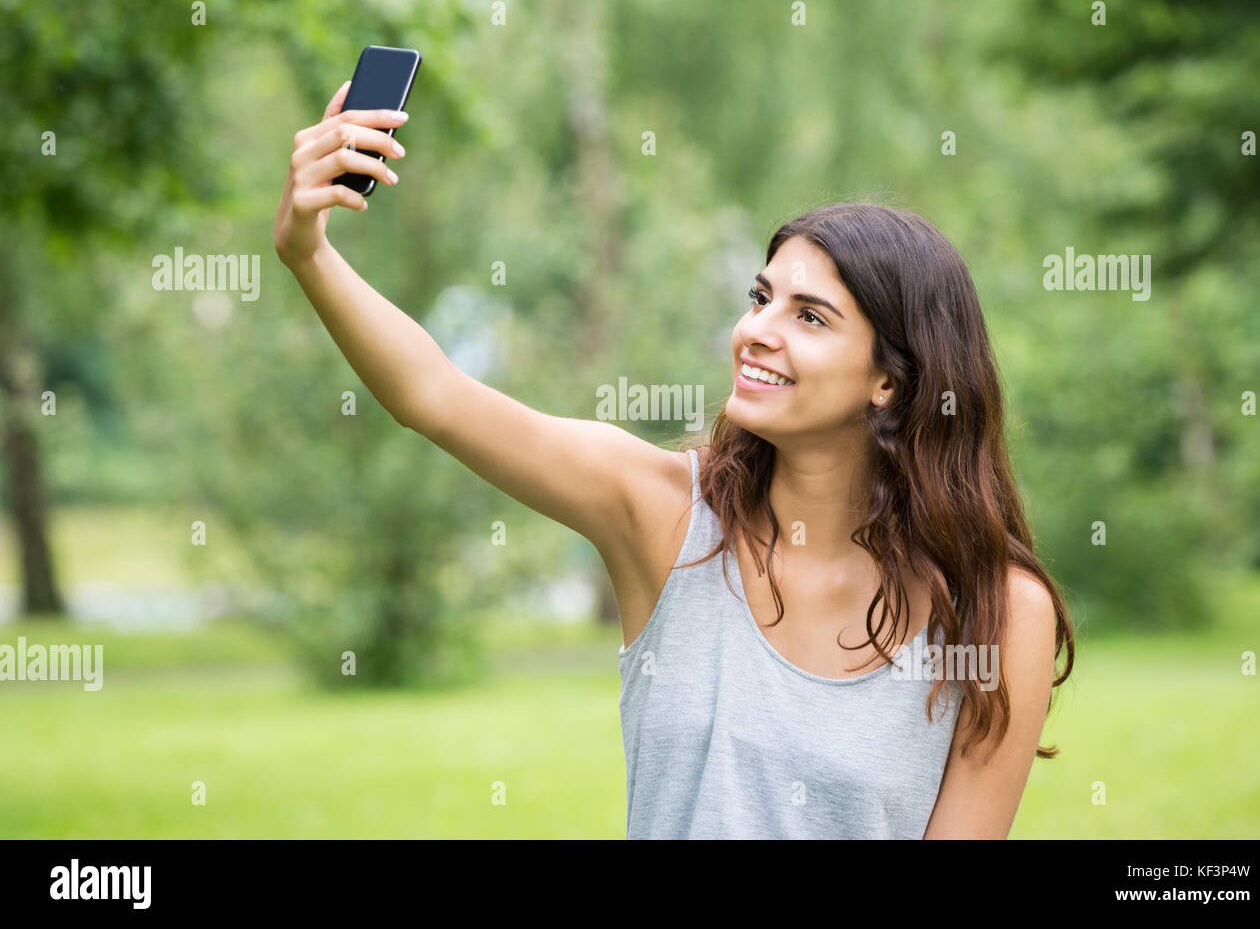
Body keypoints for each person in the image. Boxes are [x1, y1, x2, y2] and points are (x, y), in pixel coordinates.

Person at [273, 84, 1076, 839]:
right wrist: (307, 251)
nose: (757, 330)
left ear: (890, 380)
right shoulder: (664, 516)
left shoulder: (998, 609)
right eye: (761, 299)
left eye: (811, 317)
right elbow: (436, 396)